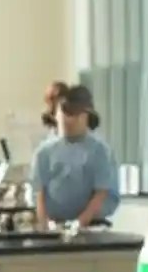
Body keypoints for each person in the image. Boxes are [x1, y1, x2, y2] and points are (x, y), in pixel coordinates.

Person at [31, 84, 119, 228]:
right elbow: (39, 193)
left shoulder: (99, 151)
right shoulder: (44, 153)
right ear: (56, 115)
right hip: (54, 227)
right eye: (65, 113)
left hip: (91, 227)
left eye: (75, 114)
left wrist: (80, 223)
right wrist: (45, 227)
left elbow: (101, 192)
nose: (69, 120)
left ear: (86, 115)